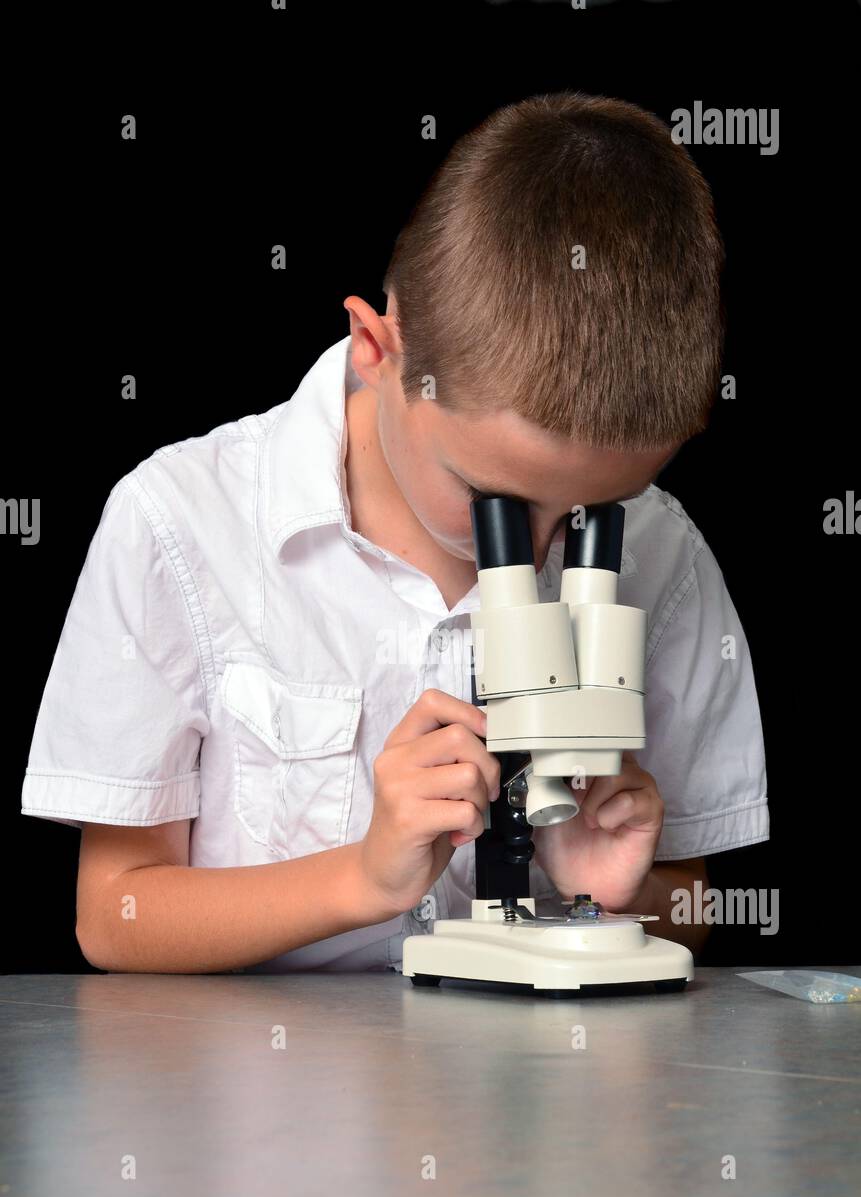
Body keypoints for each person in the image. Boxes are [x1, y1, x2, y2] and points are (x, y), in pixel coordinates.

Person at [21, 92, 768, 974]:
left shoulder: (664, 551)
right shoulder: (180, 521)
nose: (534, 554)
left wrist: (612, 899)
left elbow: (688, 899)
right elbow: (115, 914)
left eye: (589, 517)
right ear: (378, 349)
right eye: (490, 498)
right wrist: (363, 880)